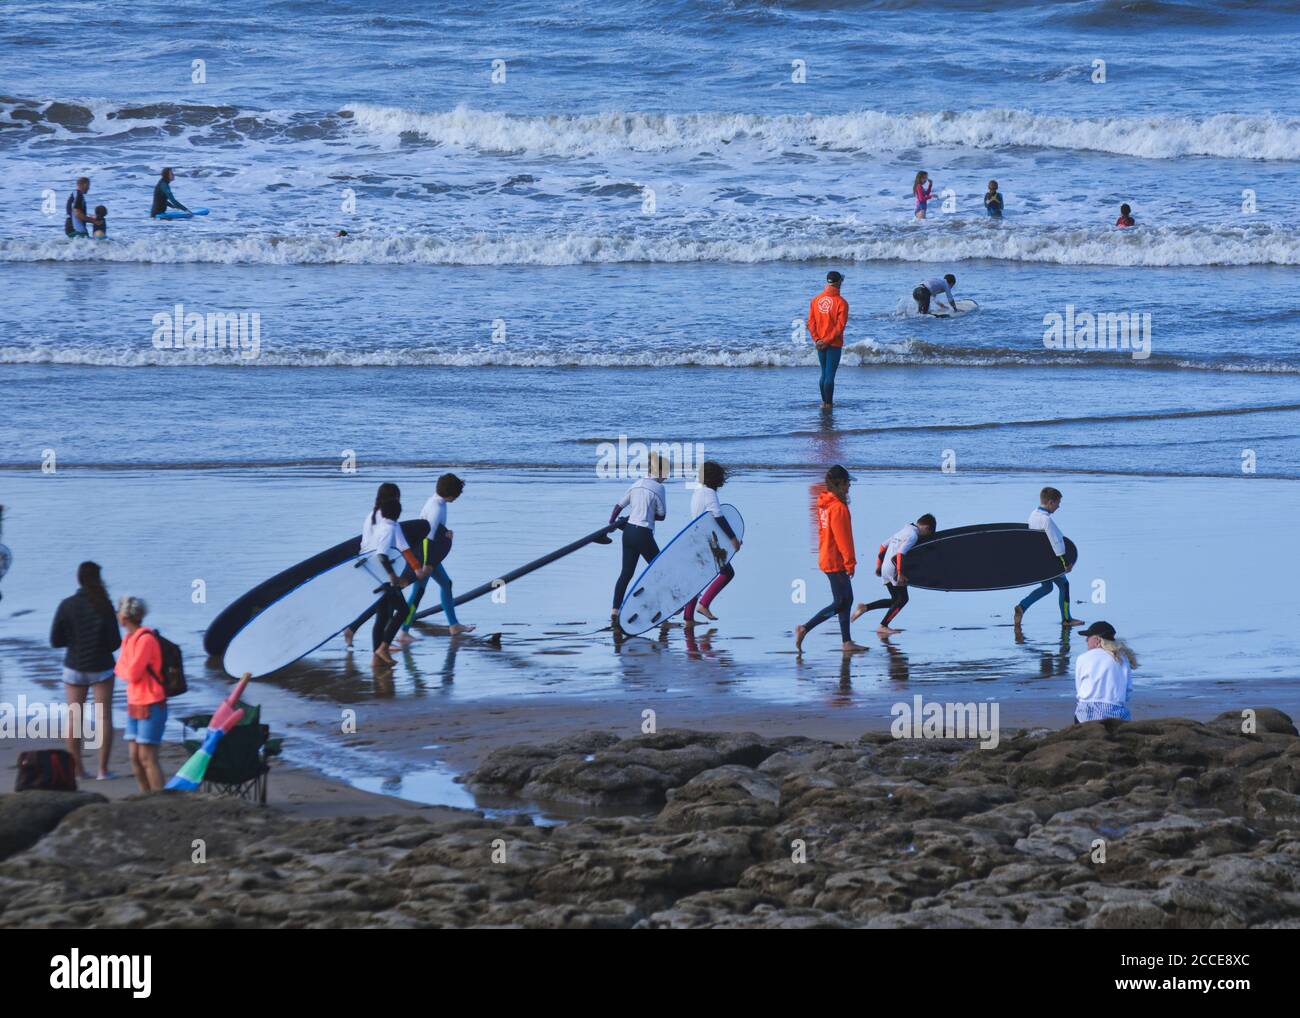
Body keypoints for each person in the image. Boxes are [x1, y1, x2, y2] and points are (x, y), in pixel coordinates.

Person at [50, 562, 121, 780]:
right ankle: (103, 770)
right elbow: (115, 642)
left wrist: (74, 642)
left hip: (74, 666)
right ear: (98, 579)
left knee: (74, 719)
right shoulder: (105, 605)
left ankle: (78, 771)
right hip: (101, 668)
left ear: (79, 579)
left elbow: (55, 640)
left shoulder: (66, 605)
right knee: (104, 718)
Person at [795, 465, 866, 655]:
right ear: (840, 484)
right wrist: (850, 562)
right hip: (835, 560)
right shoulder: (838, 508)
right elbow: (844, 538)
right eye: (848, 482)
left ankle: (847, 642)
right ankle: (805, 628)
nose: (850, 486)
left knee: (844, 600)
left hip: (826, 555)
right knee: (842, 602)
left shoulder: (824, 504)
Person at [398, 473, 475, 641]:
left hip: (431, 555)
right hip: (425, 556)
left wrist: (445, 533)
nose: (458, 497)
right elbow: (427, 538)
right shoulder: (436, 507)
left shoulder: (438, 501)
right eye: (458, 494)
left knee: (446, 584)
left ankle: (454, 625)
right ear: (451, 494)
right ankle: (403, 632)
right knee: (418, 592)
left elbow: (435, 532)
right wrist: (426, 565)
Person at [364, 496, 430, 666]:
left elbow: (403, 548)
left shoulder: (383, 527)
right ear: (398, 514)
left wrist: (416, 568)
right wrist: (393, 576)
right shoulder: (388, 530)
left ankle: (375, 658)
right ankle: (383, 648)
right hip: (384, 578)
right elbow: (382, 555)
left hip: (373, 576)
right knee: (403, 610)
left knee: (383, 616)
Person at [114, 596, 167, 792]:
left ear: (125, 616)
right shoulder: (128, 639)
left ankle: (160, 798)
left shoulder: (145, 639)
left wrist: (125, 669)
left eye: (119, 612)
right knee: (135, 757)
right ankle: (145, 797)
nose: (117, 616)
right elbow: (119, 669)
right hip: (134, 703)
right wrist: (125, 669)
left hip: (152, 703)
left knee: (148, 757)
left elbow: (131, 673)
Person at [852, 514, 936, 634]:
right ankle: (883, 626)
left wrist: (879, 566)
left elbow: (882, 546)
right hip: (894, 569)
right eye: (928, 534)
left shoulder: (904, 530)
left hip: (886, 568)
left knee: (895, 600)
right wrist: (900, 573)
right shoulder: (913, 536)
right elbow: (900, 554)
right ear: (927, 528)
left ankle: (865, 607)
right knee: (903, 599)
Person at [1014, 486, 1084, 628]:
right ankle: (1067, 619)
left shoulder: (1033, 515)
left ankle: (1022, 606)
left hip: (1038, 561)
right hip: (1050, 562)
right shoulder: (1046, 520)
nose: (1059, 507)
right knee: (1064, 585)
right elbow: (1057, 544)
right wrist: (1065, 564)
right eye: (1058, 503)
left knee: (1047, 587)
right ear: (1051, 502)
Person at [610, 453, 669, 621]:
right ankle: (662, 610)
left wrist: (611, 523)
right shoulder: (659, 488)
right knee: (660, 571)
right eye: (666, 472)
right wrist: (648, 514)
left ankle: (615, 611)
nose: (667, 476)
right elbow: (662, 515)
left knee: (626, 574)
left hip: (628, 533)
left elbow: (619, 506)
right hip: (643, 533)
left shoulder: (636, 484)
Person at [683, 461, 741, 624]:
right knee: (727, 573)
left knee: (699, 578)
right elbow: (718, 517)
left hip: (698, 540)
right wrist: (732, 538)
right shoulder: (709, 493)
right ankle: (704, 604)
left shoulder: (698, 492)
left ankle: (688, 617)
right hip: (707, 542)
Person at [1073, 620, 1137, 722]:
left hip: (1086, 712)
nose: (1086, 641)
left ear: (1097, 640)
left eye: (1088, 637)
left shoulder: (1082, 658)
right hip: (1115, 711)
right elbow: (1128, 691)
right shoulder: (1123, 659)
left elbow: (1079, 690)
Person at [807, 271, 849, 408]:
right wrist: (827, 340)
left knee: (824, 373)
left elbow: (810, 323)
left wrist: (817, 339)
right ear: (838, 283)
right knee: (830, 375)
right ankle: (829, 404)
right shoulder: (841, 303)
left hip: (820, 343)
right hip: (833, 343)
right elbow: (839, 327)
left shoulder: (815, 300)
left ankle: (824, 402)